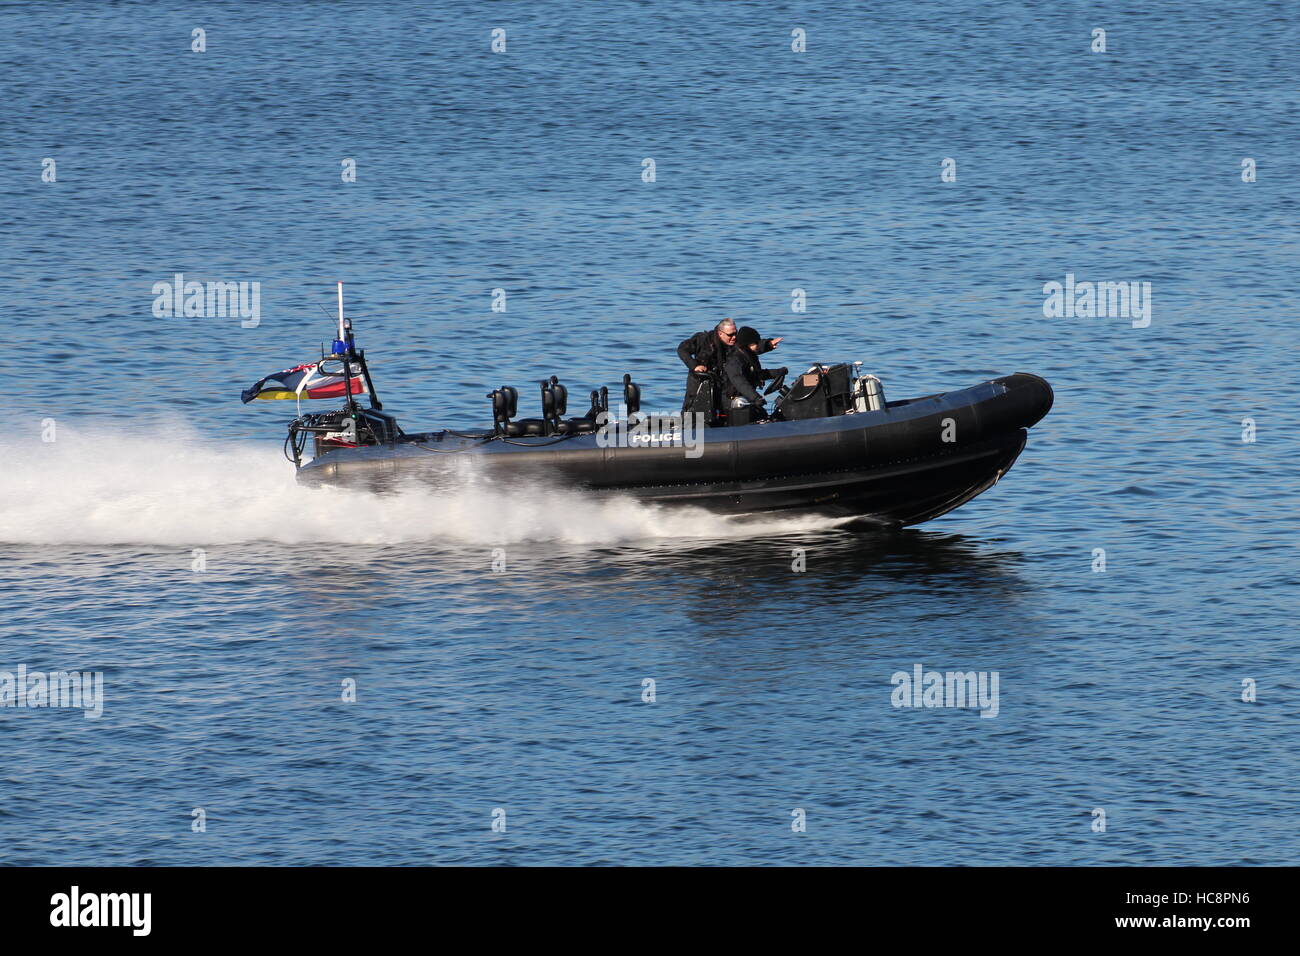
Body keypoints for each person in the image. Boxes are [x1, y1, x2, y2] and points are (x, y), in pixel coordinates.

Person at [723, 326, 786, 424]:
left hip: (747, 399)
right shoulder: (734, 360)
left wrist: (779, 372)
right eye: (756, 342)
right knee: (760, 416)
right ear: (747, 344)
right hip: (735, 401)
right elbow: (739, 382)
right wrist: (756, 398)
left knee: (765, 415)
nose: (758, 345)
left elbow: (758, 375)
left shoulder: (749, 356)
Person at [677, 319, 737, 413]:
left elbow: (753, 346)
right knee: (692, 409)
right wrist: (695, 366)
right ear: (720, 333)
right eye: (730, 335)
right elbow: (682, 350)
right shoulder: (703, 339)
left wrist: (768, 344)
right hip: (700, 381)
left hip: (721, 383)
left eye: (735, 333)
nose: (734, 337)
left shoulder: (735, 344)